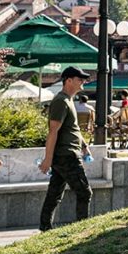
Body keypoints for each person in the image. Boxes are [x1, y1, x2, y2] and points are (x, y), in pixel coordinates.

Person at [39, 67, 93, 231]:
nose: (83, 81)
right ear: (68, 80)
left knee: (54, 193)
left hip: (67, 153)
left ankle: (45, 228)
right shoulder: (61, 101)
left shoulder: (69, 100)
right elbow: (53, 131)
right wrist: (47, 159)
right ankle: (82, 231)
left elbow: (72, 127)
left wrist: (84, 146)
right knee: (84, 193)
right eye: (79, 79)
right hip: (66, 155)